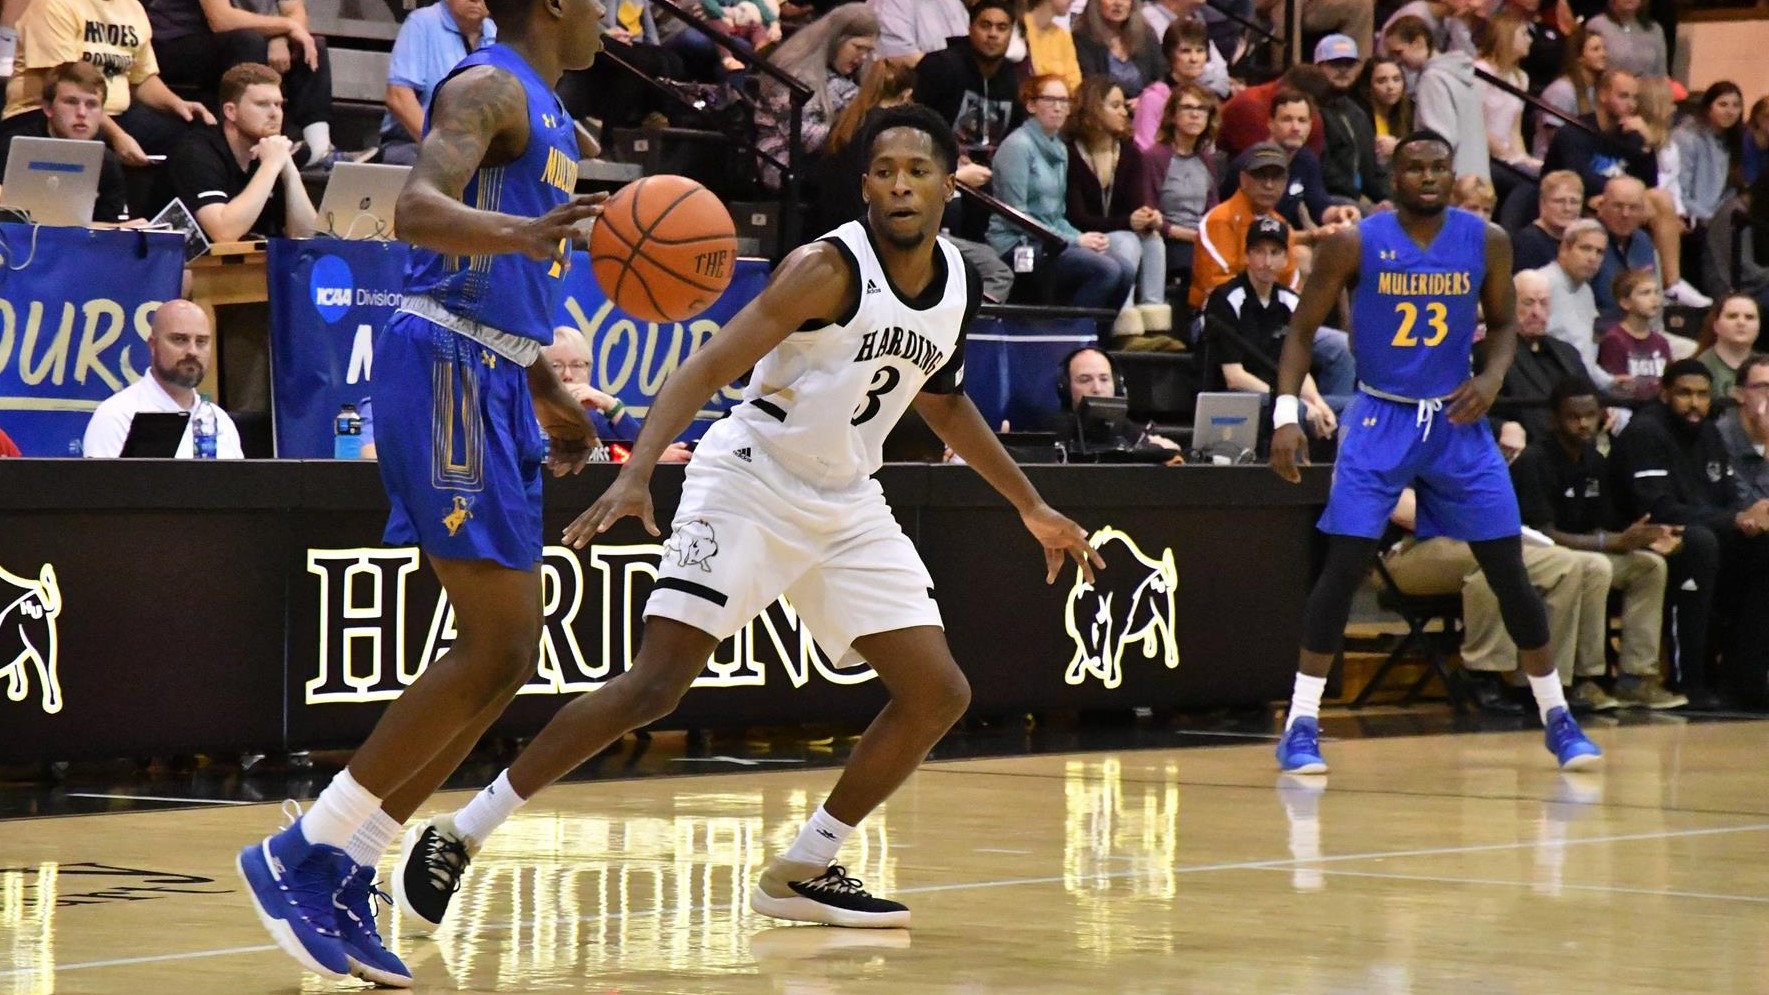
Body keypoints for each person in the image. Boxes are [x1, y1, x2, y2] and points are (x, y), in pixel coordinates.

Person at [394, 103, 1105, 933]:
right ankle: (459, 832)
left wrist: (1031, 504)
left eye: (917, 170)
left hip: (845, 499)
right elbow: (705, 364)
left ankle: (802, 867)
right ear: (864, 185)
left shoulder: (958, 280)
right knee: (654, 686)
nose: (900, 184)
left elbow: (944, 405)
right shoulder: (824, 268)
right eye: (883, 171)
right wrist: (639, 476)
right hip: (750, 480)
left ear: (952, 183)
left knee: (937, 691)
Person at [234, 0, 607, 983]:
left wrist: (546, 393)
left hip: (491, 372)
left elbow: (508, 287)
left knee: (510, 651)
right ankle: (303, 850)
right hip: (439, 365)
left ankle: (353, 859)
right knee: (494, 640)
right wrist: (518, 232)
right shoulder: (486, 86)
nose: (612, 18)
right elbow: (416, 211)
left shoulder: (555, 116)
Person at [1267, 129, 1604, 774]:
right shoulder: (1355, 241)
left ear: (1454, 175)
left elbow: (1504, 324)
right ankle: (1302, 722)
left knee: (1510, 569)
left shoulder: (1487, 240)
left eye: (1439, 167)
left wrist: (1491, 379)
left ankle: (1558, 718)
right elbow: (1302, 331)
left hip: (1456, 421)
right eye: (1414, 167)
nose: (1427, 177)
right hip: (1380, 416)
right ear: (1393, 177)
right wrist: (1286, 412)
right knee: (1342, 570)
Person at [1509, 375, 1683, 708]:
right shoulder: (1534, 460)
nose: (1583, 424)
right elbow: (1542, 533)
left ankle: (1636, 676)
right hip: (1539, 559)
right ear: (1554, 420)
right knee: (1596, 566)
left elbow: (1606, 526)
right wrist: (1610, 542)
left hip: (1587, 552)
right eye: (1573, 417)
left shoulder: (1596, 461)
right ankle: (1585, 678)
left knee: (1650, 567)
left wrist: (1648, 539)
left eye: (1590, 416)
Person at [1610, 360, 1769, 708]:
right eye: (1684, 393)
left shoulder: (1708, 433)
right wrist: (1733, 519)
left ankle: (1748, 680)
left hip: (1704, 530)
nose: (1694, 403)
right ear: (1665, 393)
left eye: (1702, 395)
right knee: (1700, 544)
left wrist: (1746, 520)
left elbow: (1727, 498)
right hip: (1641, 538)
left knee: (1763, 546)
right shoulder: (1646, 432)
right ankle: (1687, 680)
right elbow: (1659, 510)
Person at [987, 74, 1134, 314]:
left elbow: (1057, 216)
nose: (1058, 108)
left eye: (1064, 101)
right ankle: (1068, 336)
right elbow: (1016, 217)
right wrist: (1076, 241)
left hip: (1050, 242)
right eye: (1050, 100)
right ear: (1031, 105)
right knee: (1106, 270)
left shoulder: (1059, 148)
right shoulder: (1018, 146)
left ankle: (1096, 343)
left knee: (1125, 269)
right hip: (1016, 245)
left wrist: (1083, 238)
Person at [0, 0, 214, 160]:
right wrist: (118, 136)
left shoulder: (132, 8)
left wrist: (178, 104)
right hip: (48, 112)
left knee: (190, 138)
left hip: (114, 113)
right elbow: (66, 85)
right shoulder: (53, 4)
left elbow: (141, 78)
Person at [147, 0, 337, 168]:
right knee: (247, 43)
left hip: (238, 37)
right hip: (175, 40)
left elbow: (295, 10)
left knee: (311, 46)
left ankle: (319, 149)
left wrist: (280, 38)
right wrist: (286, 26)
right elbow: (221, 19)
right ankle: (242, 145)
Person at [1201, 215, 1338, 436]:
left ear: (1286, 260)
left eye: (1275, 253)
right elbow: (1234, 377)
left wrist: (1318, 402)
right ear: (1246, 256)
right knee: (1298, 411)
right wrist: (1290, 400)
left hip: (1278, 393)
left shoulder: (1290, 301)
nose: (1267, 262)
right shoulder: (1226, 299)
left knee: (1345, 410)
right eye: (1259, 252)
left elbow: (1299, 367)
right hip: (1237, 397)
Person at [1064, 75, 1169, 339]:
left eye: (1124, 105)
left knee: (1153, 240)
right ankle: (1124, 324)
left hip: (1118, 231)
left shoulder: (1130, 153)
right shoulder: (1070, 153)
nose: (1125, 112)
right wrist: (1127, 223)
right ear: (1094, 108)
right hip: (1084, 235)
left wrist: (1147, 217)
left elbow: (1135, 205)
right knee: (1127, 241)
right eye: (1116, 105)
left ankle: (1155, 321)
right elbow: (1077, 216)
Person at [171, 63, 318, 242]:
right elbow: (223, 233)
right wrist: (271, 165)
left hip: (251, 264)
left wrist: (288, 169)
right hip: (183, 264)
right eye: (262, 104)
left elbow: (307, 237)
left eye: (278, 104)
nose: (275, 114)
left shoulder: (273, 152)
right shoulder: (197, 151)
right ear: (231, 112)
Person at [82, 300, 243, 458]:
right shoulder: (117, 416)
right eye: (180, 339)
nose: (193, 351)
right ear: (153, 345)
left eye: (201, 341)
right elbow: (104, 485)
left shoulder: (220, 421)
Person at [755, 4, 878, 189]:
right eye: (858, 47)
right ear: (836, 39)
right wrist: (851, 131)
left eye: (868, 51)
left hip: (826, 158)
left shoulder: (848, 80)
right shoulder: (792, 72)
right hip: (783, 159)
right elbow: (799, 133)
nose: (862, 57)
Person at [0, 62, 128, 223]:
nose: (82, 113)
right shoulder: (12, 148)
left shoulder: (106, 160)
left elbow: (109, 228)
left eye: (92, 105)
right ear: (48, 108)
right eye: (71, 102)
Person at [544, 326, 690, 460]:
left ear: (588, 372)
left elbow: (636, 452)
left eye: (577, 365)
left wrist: (611, 406)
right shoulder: (525, 416)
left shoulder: (593, 420)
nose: (568, 374)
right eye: (556, 366)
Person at [379, 0, 496, 166]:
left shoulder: (496, 33)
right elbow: (398, 97)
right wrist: (442, 150)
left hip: (476, 151)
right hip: (415, 144)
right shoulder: (422, 23)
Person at [1490, 267, 1588, 452]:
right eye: (1528, 303)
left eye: (1544, 303)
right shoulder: (1490, 353)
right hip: (1525, 453)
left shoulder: (1568, 353)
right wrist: (1501, 427)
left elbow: (1590, 395)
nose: (1537, 311)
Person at [912, 0, 1023, 162]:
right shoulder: (940, 67)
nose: (993, 34)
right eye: (985, 25)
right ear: (970, 28)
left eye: (1002, 28)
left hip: (990, 176)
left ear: (1011, 33)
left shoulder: (1014, 78)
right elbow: (914, 127)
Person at [1385, 13, 1488, 183]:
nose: (1397, 61)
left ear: (1418, 42)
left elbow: (1439, 141)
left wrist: (1399, 147)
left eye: (1398, 52)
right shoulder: (1460, 73)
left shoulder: (1432, 79)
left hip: (1453, 183)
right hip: (1477, 180)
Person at [1145, 81, 1222, 296]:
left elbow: (1213, 211)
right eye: (1187, 108)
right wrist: (1191, 236)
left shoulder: (1207, 160)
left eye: (1201, 109)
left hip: (1203, 239)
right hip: (1170, 241)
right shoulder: (1155, 157)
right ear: (1173, 115)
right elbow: (1149, 215)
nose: (1195, 115)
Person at [1048, 345, 1182, 457]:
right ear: (1065, 388)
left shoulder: (1124, 427)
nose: (1097, 388)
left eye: (1104, 379)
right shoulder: (1054, 432)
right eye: (1085, 380)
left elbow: (1167, 450)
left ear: (1117, 385)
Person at [1313, 33, 1385, 210]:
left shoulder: (1358, 112)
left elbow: (1371, 169)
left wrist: (1386, 198)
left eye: (1349, 64)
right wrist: (1362, 199)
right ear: (1318, 67)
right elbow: (1323, 168)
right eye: (1335, 64)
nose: (1343, 70)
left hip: (1357, 198)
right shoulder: (1312, 110)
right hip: (1325, 197)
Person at [1541, 218, 1611, 389]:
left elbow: (1585, 357)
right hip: (1549, 383)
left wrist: (1611, 382)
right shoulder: (1540, 283)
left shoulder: (1586, 291)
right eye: (1586, 248)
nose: (1593, 258)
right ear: (1564, 249)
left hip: (1581, 384)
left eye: (1599, 252)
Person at [1475, 9, 1541, 178]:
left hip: (1507, 156)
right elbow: (1477, 125)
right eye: (1524, 34)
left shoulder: (1521, 78)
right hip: (1483, 154)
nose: (1530, 40)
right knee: (1526, 182)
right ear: (1507, 36)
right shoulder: (1481, 71)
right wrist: (1508, 156)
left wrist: (1523, 158)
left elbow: (1514, 129)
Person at [1672, 80, 1743, 228]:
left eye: (1736, 106)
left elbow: (1729, 192)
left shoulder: (1732, 140)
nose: (1730, 111)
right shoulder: (1686, 138)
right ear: (1708, 108)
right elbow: (1680, 191)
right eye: (1723, 105)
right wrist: (1709, 218)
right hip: (1691, 219)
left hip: (1717, 221)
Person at [1534, 21, 1604, 160]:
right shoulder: (1561, 90)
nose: (1604, 54)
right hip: (1554, 164)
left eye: (1604, 48)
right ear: (1579, 57)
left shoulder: (1598, 88)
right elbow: (1555, 139)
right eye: (1596, 49)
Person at [1597, 268, 1671, 399]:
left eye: (1656, 292)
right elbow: (1616, 388)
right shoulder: (1614, 340)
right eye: (1645, 293)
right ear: (1625, 303)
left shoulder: (1661, 342)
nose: (1654, 299)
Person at [1071, 0, 1163, 104]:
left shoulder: (1146, 35)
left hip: (1144, 109)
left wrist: (1144, 101)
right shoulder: (1082, 39)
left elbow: (1161, 78)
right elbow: (1090, 87)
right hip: (1100, 112)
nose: (1118, 3)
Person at [1511, 169, 1584, 273]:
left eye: (1574, 202)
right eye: (1559, 201)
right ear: (1542, 203)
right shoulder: (1527, 242)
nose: (1568, 208)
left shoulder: (1580, 241)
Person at [1695, 293, 1764, 399]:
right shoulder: (1700, 367)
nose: (1741, 322)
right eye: (1732, 316)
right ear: (1716, 325)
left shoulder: (1765, 366)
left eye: (1749, 317)